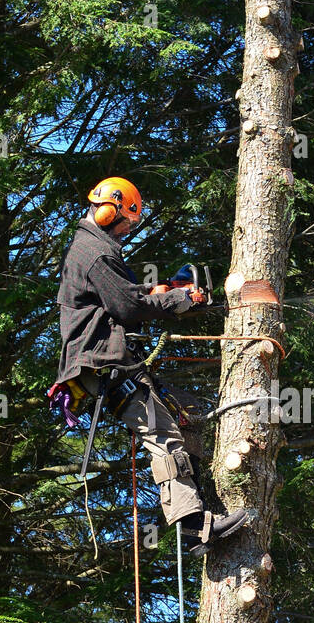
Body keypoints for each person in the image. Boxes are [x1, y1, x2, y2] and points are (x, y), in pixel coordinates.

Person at [51, 176, 252, 555]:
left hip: (113, 361)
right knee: (161, 435)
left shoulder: (98, 249)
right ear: (108, 211)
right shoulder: (93, 252)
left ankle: (199, 504)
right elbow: (128, 308)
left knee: (186, 412)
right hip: (103, 364)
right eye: (126, 221)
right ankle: (195, 528)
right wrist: (176, 299)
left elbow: (127, 297)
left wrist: (164, 292)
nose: (127, 229)